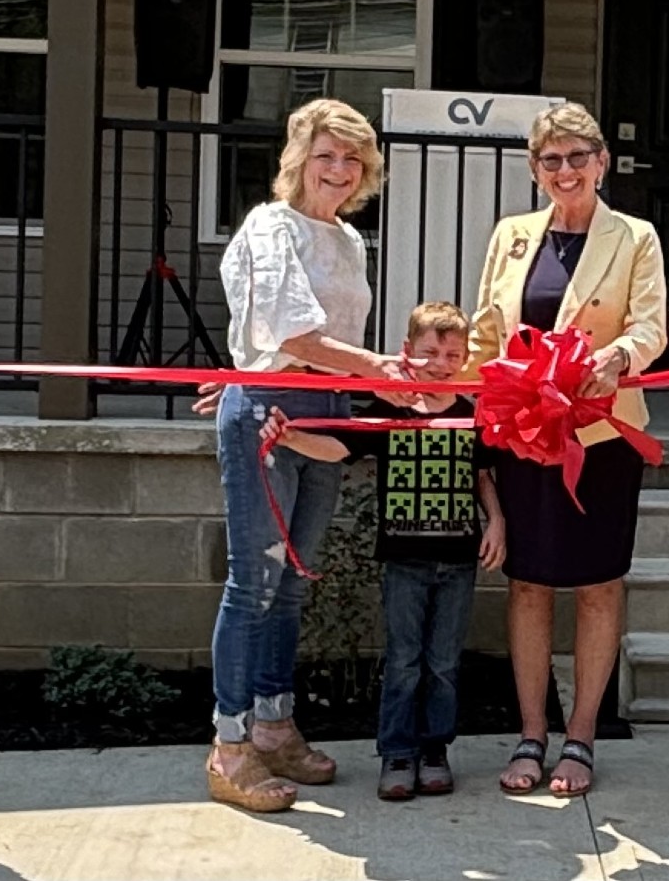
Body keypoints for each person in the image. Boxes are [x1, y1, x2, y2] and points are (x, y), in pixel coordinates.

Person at [201, 97, 419, 813]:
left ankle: (274, 726)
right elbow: (290, 334)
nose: (340, 169)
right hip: (269, 411)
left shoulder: (351, 241)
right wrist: (377, 370)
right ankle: (229, 748)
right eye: (326, 154)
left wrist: (376, 379)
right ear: (298, 160)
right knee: (254, 582)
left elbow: (334, 344)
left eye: (353, 158)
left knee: (295, 581)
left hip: (326, 412)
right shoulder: (270, 226)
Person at [469, 102, 668, 798]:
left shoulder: (636, 236)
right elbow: (485, 333)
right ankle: (531, 732)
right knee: (527, 582)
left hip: (601, 434)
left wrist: (617, 355)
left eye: (577, 157)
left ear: (602, 161)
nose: (565, 170)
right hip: (524, 433)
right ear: (535, 169)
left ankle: (580, 735)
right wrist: (458, 399)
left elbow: (652, 327)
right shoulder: (512, 236)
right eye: (550, 160)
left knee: (597, 584)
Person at [260, 302, 506, 802]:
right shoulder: (388, 412)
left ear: (464, 360)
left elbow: (482, 474)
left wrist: (497, 521)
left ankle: (435, 750)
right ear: (406, 352)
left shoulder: (470, 413)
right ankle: (397, 752)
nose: (440, 362)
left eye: (452, 354)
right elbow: (339, 447)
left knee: (442, 662)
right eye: (430, 352)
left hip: (458, 559)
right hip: (404, 559)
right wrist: (290, 436)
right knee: (404, 660)